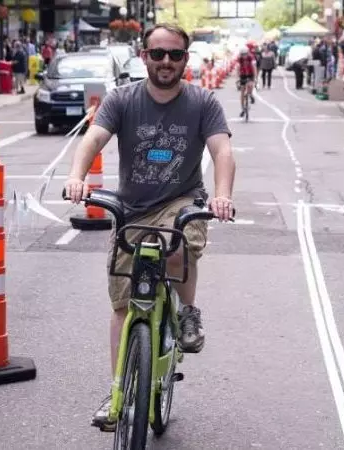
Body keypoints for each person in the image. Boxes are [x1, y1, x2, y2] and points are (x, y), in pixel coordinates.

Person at [64, 23, 236, 430]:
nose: (165, 62)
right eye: (158, 54)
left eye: (174, 55)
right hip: (133, 209)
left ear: (185, 60)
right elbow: (94, 138)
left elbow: (222, 149)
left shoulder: (202, 101)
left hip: (181, 199)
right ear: (144, 57)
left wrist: (222, 193)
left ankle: (188, 311)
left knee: (178, 243)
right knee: (123, 307)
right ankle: (118, 390)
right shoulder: (122, 100)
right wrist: (76, 175)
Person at [235, 46, 256, 117]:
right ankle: (242, 108)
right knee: (242, 91)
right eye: (243, 54)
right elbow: (237, 68)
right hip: (243, 75)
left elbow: (254, 67)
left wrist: (255, 78)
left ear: (247, 53)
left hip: (250, 74)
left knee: (250, 85)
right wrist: (237, 78)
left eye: (245, 54)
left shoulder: (251, 57)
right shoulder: (239, 59)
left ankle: (251, 95)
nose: (244, 56)